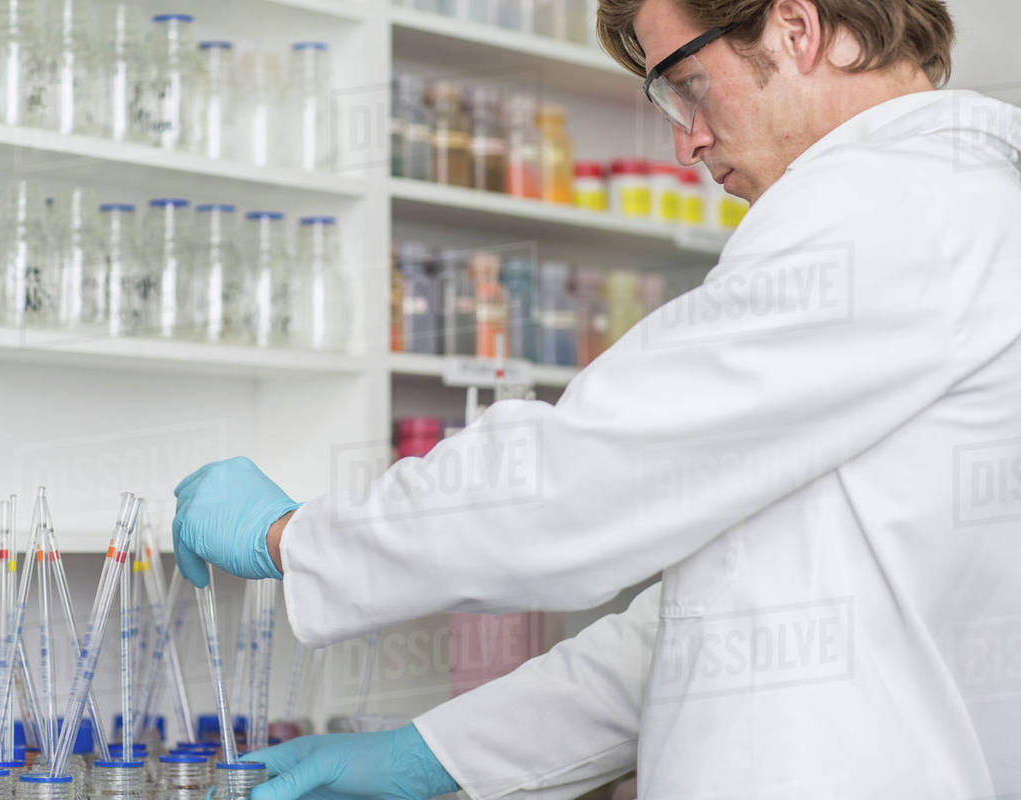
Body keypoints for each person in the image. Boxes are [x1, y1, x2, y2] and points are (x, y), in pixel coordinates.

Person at [174, 0, 1021, 797]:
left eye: (688, 85)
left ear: (796, 28)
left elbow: (577, 477)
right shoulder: (944, 200)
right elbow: (730, 624)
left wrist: (295, 537)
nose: (688, 141)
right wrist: (436, 755)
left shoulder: (891, 204)